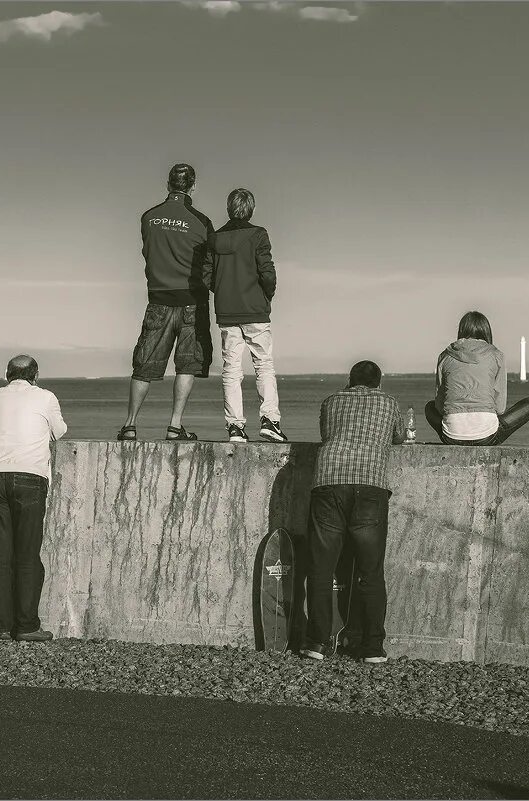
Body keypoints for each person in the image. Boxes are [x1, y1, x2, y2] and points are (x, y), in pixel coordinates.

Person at [300, 360, 409, 664]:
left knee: (320, 570)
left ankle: (317, 644)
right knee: (370, 572)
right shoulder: (389, 402)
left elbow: (327, 434)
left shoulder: (331, 401)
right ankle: (372, 647)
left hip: (329, 482)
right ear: (379, 383)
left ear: (349, 380)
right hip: (370, 485)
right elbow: (397, 437)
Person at [118, 163, 214, 442]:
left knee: (144, 365)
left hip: (158, 298)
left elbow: (148, 251)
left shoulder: (149, 217)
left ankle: (130, 425)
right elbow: (208, 262)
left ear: (168, 184)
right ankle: (174, 425)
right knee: (187, 364)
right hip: (190, 301)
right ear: (193, 185)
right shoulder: (201, 222)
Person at [0, 355, 67, 642]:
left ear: (7, 374)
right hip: (29, 476)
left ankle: (1, 625)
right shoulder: (46, 397)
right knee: (27, 554)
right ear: (36, 375)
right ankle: (27, 625)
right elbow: (60, 432)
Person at [205, 187, 287, 444]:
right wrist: (266, 296)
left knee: (231, 370)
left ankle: (235, 427)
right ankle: (270, 420)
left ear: (229, 209)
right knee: (263, 365)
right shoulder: (258, 235)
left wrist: (223, 291)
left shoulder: (215, 238)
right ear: (251, 209)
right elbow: (267, 272)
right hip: (255, 310)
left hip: (227, 312)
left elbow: (206, 275)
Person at [424, 311, 529, 446]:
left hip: (451, 436)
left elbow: (438, 406)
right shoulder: (496, 355)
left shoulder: (445, 356)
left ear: (461, 330)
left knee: (429, 407)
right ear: (486, 331)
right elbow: (500, 408)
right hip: (486, 437)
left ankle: (456, 431)